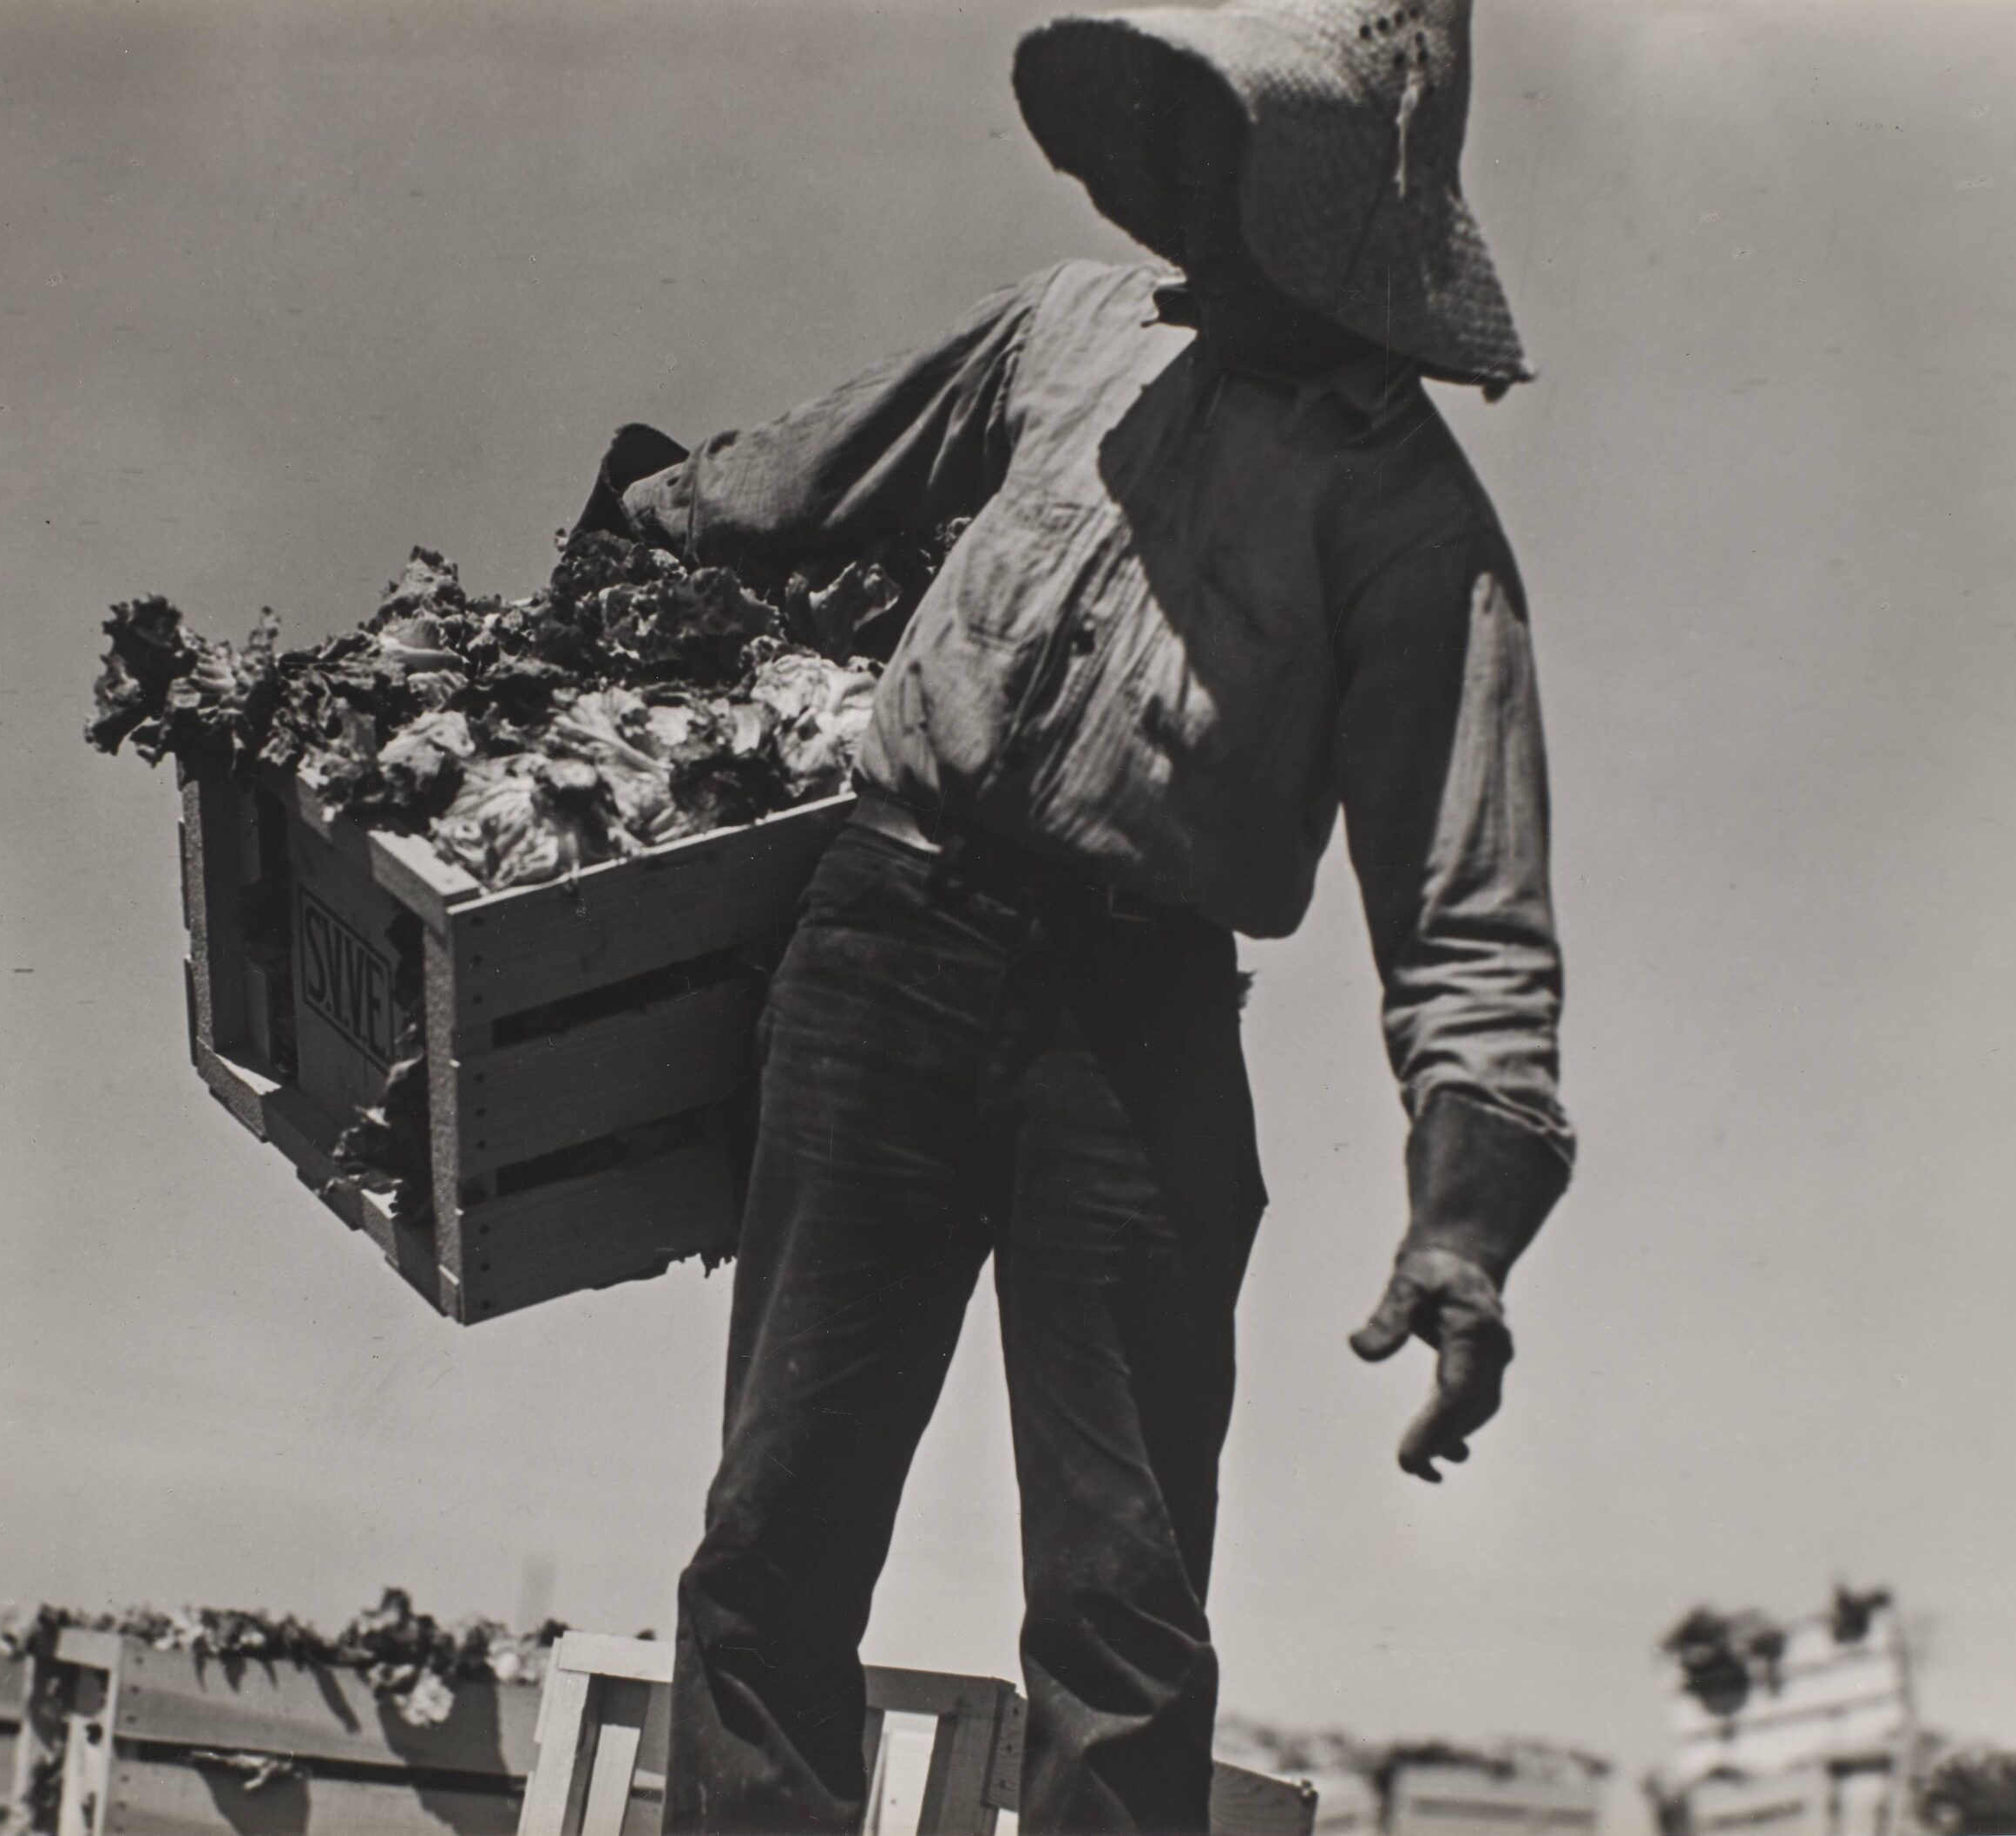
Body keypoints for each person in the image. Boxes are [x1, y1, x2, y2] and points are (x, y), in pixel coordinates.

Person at [575, 2, 1573, 1827]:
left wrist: (1463, 1231)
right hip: (884, 951)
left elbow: (1467, 924)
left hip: (1139, 1039)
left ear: (1328, 207)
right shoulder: (1064, 327)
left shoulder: (1412, 527)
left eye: (1230, 152)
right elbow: (802, 474)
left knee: (1119, 1601)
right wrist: (646, 519)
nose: (1181, 184)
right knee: (773, 1530)